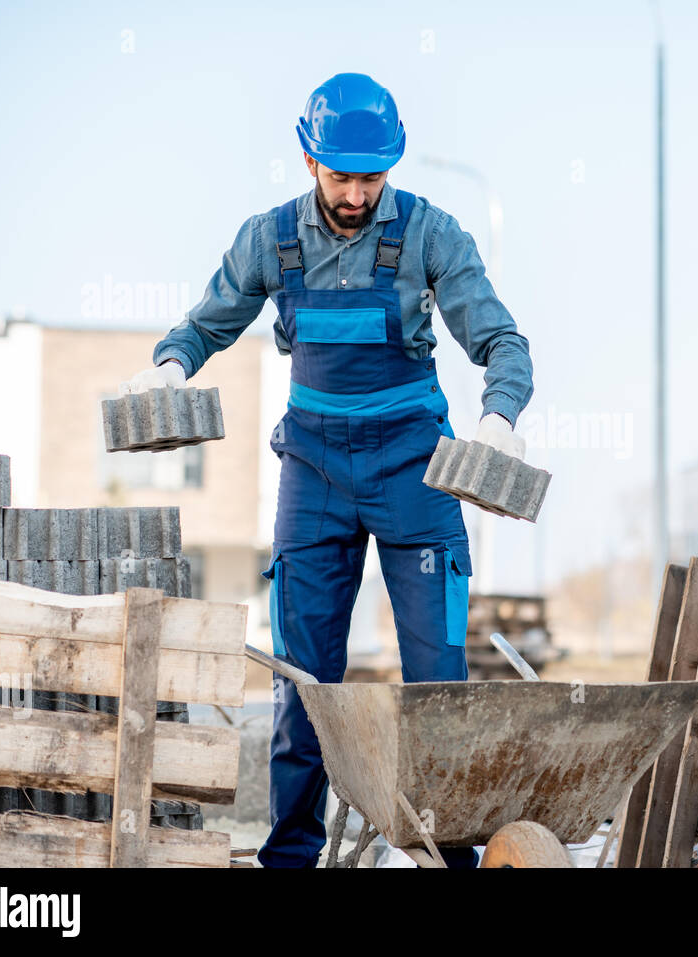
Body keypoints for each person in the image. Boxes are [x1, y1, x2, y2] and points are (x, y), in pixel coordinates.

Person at [120, 72, 534, 868]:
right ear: (309, 160)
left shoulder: (432, 235)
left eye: (371, 177)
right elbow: (206, 324)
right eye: (341, 176)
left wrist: (498, 419)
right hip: (312, 472)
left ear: (392, 166)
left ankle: (448, 857)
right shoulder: (270, 240)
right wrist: (169, 369)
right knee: (303, 685)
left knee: (437, 688)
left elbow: (501, 342)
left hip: (416, 469)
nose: (355, 193)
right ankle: (290, 857)